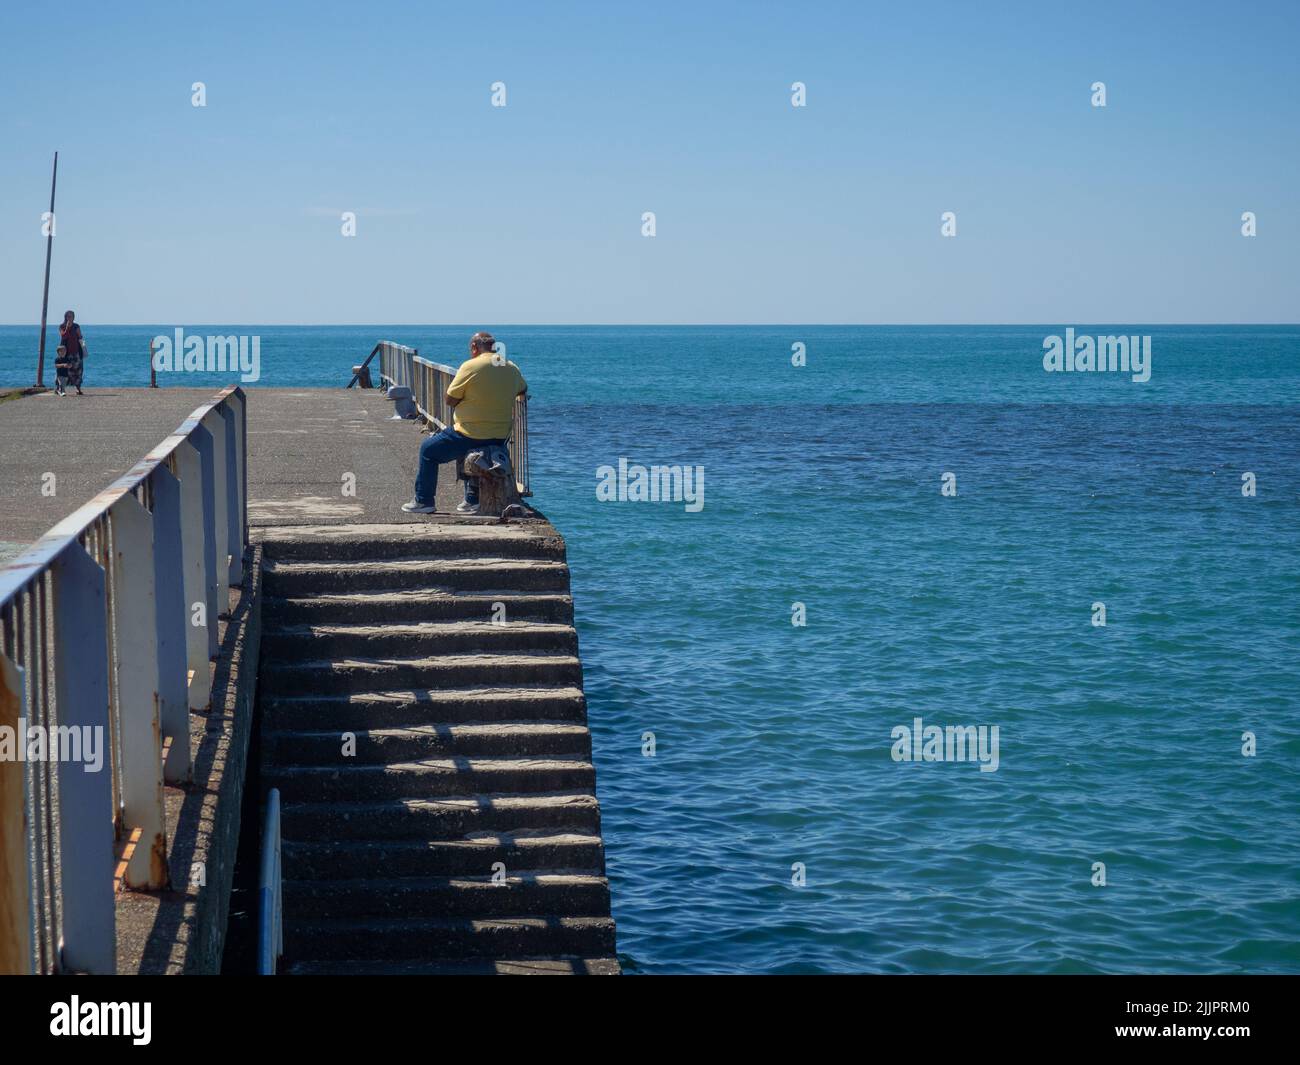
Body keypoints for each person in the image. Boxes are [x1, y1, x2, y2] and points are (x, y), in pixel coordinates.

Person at [402, 331, 527, 515]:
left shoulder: (470, 366)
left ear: (475, 347)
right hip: (500, 435)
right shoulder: (510, 366)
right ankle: (472, 500)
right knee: (467, 450)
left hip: (470, 433)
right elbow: (523, 389)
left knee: (428, 450)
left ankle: (423, 501)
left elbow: (450, 399)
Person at [56, 311, 86, 396]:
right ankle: (59, 388)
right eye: (68, 316)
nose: (69, 318)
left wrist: (83, 348)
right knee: (64, 371)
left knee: (79, 371)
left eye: (71, 316)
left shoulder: (76, 326)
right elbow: (63, 336)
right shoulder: (62, 326)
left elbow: (80, 337)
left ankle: (78, 388)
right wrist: (67, 328)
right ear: (65, 317)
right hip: (65, 353)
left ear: (73, 317)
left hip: (76, 352)